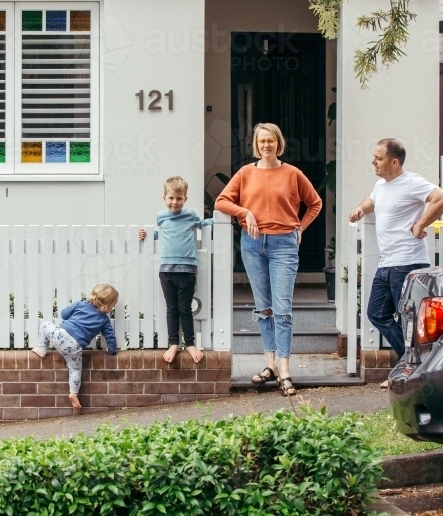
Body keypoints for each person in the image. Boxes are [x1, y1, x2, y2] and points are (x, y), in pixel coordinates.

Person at [215, 123, 322, 397]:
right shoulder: (245, 173)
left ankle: (285, 371)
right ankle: (270, 366)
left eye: (271, 141)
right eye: (262, 141)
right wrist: (245, 212)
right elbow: (221, 202)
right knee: (264, 309)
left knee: (282, 308)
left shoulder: (292, 173)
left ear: (278, 143)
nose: (266, 145)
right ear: (256, 144)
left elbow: (315, 203)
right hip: (252, 245)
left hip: (283, 244)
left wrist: (300, 228)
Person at [348, 138, 443, 387]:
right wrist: (360, 208)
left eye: (378, 158)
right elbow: (372, 200)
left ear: (394, 161)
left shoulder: (411, 182)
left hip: (408, 262)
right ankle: (411, 364)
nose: (373, 161)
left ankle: (411, 370)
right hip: (388, 262)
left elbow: (441, 198)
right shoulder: (381, 185)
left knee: (408, 320)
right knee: (376, 313)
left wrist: (420, 224)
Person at [138, 175, 214, 364]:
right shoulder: (161, 216)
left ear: (185, 199)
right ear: (164, 198)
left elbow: (204, 224)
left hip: (187, 269)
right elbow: (161, 234)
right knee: (171, 309)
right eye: (171, 198)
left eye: (179, 198)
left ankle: (189, 344)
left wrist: (221, 219)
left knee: (185, 309)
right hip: (166, 270)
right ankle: (173, 343)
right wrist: (147, 234)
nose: (175, 202)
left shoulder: (190, 215)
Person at [32, 283, 119, 410]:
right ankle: (73, 393)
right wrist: (112, 351)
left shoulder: (81, 304)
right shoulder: (104, 320)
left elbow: (64, 315)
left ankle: (42, 350)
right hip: (75, 347)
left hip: (60, 336)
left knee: (45, 325)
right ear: (107, 305)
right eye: (113, 305)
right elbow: (110, 337)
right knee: (75, 370)